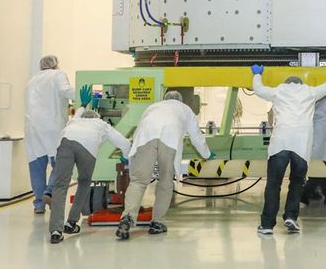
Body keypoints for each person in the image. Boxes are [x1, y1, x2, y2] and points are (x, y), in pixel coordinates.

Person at [251, 63, 326, 235]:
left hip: (279, 146)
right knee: (297, 183)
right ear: (300, 84)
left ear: (286, 83)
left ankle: (267, 225)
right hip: (301, 146)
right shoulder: (310, 92)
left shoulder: (278, 91)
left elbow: (259, 89)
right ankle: (291, 217)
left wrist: (257, 74)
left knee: (273, 185)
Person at [117, 90, 216, 240]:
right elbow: (197, 137)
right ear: (181, 100)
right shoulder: (185, 109)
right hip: (169, 138)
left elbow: (139, 130)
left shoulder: (153, 107)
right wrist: (207, 154)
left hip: (146, 137)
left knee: (138, 181)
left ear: (164, 99)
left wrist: (129, 153)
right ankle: (157, 222)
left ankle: (127, 217)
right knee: (165, 182)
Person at [47, 106, 132, 243]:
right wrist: (126, 158)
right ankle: (71, 222)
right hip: (87, 149)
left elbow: (75, 118)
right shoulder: (102, 124)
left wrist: (82, 106)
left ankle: (56, 231)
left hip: (64, 145)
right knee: (84, 182)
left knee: (60, 186)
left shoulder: (74, 121)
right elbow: (125, 143)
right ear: (97, 117)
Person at [24, 55, 75, 214]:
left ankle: (39, 205)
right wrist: (90, 94)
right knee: (61, 161)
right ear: (56, 65)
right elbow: (66, 91)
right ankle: (50, 190)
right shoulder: (58, 75)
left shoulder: (31, 81)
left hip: (32, 128)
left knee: (36, 166)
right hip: (52, 126)